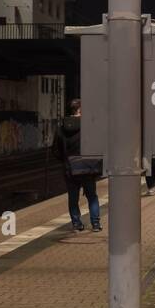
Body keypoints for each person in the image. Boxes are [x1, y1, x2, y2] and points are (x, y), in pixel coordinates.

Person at [53, 99, 102, 232]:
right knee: (92, 197)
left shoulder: (61, 128)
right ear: (80, 110)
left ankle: (76, 223)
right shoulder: (91, 126)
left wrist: (66, 160)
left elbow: (56, 151)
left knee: (73, 198)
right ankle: (96, 224)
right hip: (88, 167)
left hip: (70, 168)